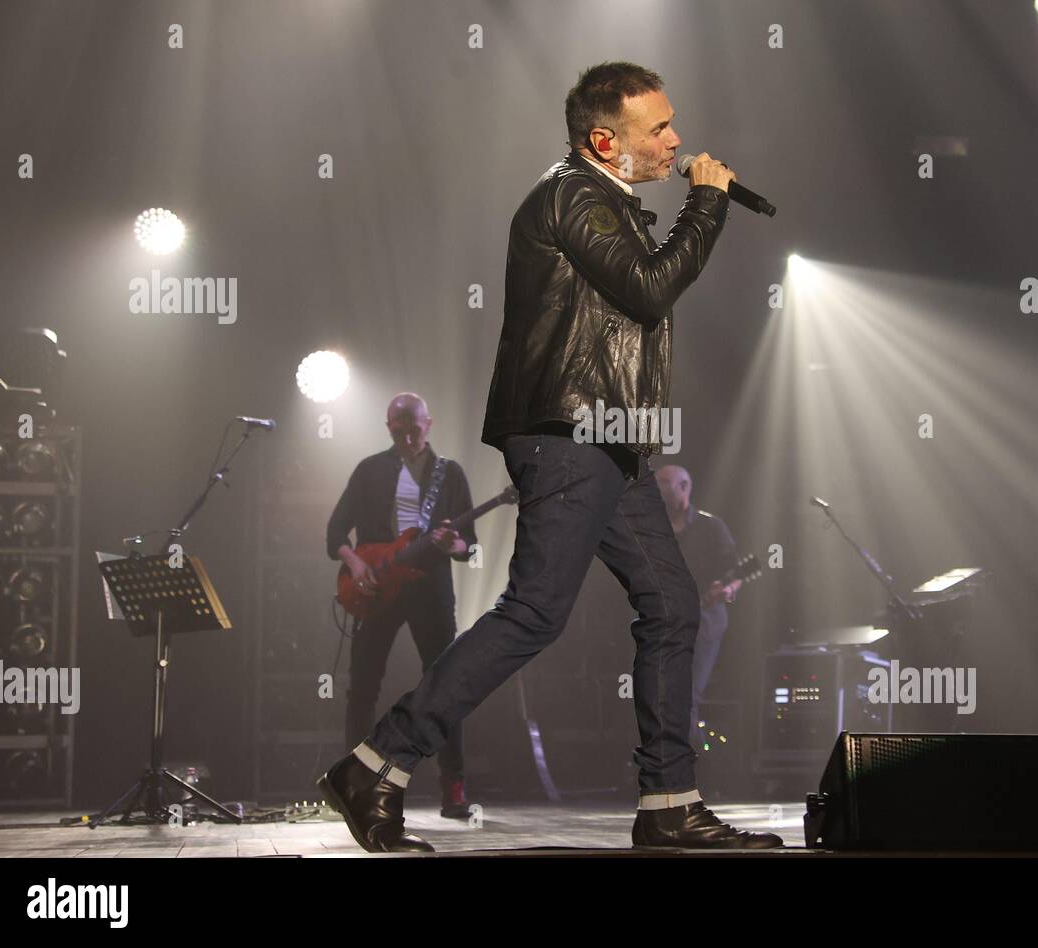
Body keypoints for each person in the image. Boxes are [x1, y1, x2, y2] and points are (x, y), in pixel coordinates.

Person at [319, 62, 781, 851]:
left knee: (673, 606)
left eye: (673, 123)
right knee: (534, 611)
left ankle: (670, 804)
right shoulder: (570, 194)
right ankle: (374, 764)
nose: (676, 139)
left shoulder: (614, 203)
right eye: (658, 128)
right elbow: (648, 290)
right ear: (605, 139)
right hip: (568, 435)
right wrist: (705, 203)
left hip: (612, 440)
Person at [325, 392, 477, 819]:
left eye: (415, 428)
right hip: (376, 587)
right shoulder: (369, 470)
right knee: (363, 686)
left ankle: (454, 786)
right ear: (387, 426)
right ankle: (352, 783)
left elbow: (470, 547)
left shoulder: (450, 474)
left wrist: (453, 543)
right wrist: (356, 564)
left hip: (429, 588)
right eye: (398, 429)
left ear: (429, 425)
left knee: (445, 685)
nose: (408, 437)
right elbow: (335, 532)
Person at [655, 465, 741, 738]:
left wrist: (727, 589)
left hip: (702, 622)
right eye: (657, 484)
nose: (659, 489)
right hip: (662, 622)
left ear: (684, 487)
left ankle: (684, 769)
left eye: (666, 483)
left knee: (686, 694)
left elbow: (734, 571)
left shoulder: (710, 526)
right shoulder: (651, 529)